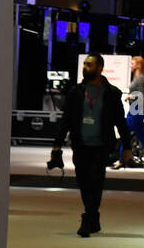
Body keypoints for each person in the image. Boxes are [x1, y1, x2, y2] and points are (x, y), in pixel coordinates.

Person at [46, 53, 132, 236]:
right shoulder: (76, 92)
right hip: (80, 144)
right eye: (85, 64)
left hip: (101, 146)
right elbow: (66, 120)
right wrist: (57, 146)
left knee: (96, 181)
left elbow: (120, 121)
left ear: (100, 68)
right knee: (84, 182)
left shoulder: (111, 93)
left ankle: (87, 218)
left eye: (90, 65)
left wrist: (127, 147)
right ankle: (94, 217)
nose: (85, 67)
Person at [115, 56, 144, 171]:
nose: (131, 65)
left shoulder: (140, 79)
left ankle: (122, 160)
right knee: (138, 135)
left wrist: (130, 96)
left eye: (133, 63)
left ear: (139, 65)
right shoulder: (138, 78)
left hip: (137, 108)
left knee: (128, 134)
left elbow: (140, 95)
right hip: (135, 108)